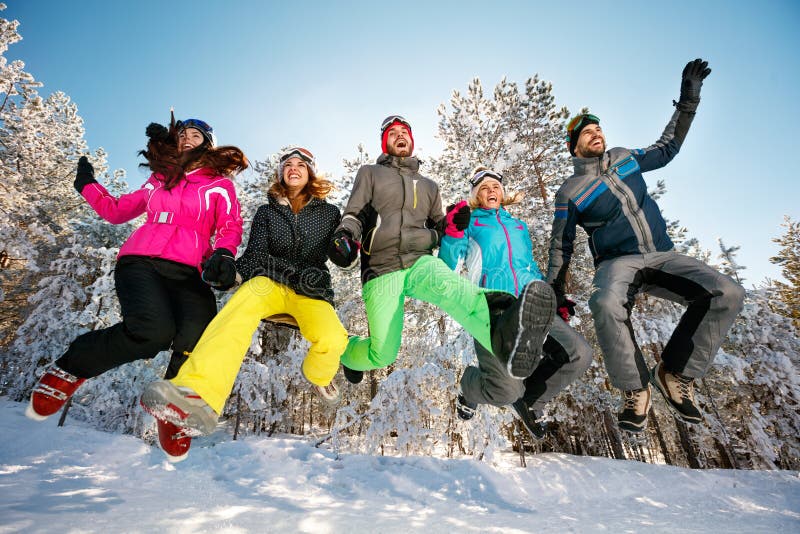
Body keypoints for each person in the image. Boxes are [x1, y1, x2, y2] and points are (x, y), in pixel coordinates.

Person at [26, 116, 247, 461]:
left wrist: (224, 254)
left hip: (191, 271)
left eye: (196, 135)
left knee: (198, 337)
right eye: (183, 134)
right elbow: (116, 211)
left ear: (207, 144)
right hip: (142, 261)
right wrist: (87, 184)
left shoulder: (219, 185)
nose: (187, 139)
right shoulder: (160, 179)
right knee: (152, 332)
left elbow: (230, 225)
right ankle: (70, 368)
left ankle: (175, 410)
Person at [547, 59, 745, 433]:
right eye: (587, 131)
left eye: (598, 127)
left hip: (662, 254)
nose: (596, 133)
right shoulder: (570, 192)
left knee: (728, 293)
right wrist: (555, 290)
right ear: (574, 145)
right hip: (617, 263)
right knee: (604, 302)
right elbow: (562, 245)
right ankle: (635, 390)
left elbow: (667, 147)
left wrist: (688, 101)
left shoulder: (625, 159)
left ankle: (674, 373)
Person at [140, 146, 349, 448]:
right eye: (287, 164)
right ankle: (195, 394)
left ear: (310, 172)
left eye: (301, 165)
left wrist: (345, 249)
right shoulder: (268, 211)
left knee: (333, 338)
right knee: (237, 310)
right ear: (281, 173)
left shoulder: (328, 212)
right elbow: (255, 253)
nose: (293, 168)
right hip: (269, 282)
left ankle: (318, 376)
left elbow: (338, 249)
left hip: (310, 287)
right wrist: (233, 274)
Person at [328, 115, 556, 386]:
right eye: (393, 133)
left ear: (411, 140)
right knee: (382, 353)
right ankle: (346, 352)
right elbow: (355, 213)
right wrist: (345, 236)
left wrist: (453, 224)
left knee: (459, 293)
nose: (400, 136)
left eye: (404, 132)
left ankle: (505, 338)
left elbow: (442, 230)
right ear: (385, 142)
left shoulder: (429, 186)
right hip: (381, 267)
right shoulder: (370, 173)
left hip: (419, 263)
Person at [439, 167, 592, 439]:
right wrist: (452, 232)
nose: (491, 191)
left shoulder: (518, 226)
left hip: (530, 303)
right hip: (491, 309)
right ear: (475, 196)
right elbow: (448, 267)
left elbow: (528, 266)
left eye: (495, 186)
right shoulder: (471, 223)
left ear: (503, 192)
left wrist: (552, 298)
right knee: (505, 392)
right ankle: (470, 387)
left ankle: (532, 400)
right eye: (483, 188)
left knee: (578, 353)